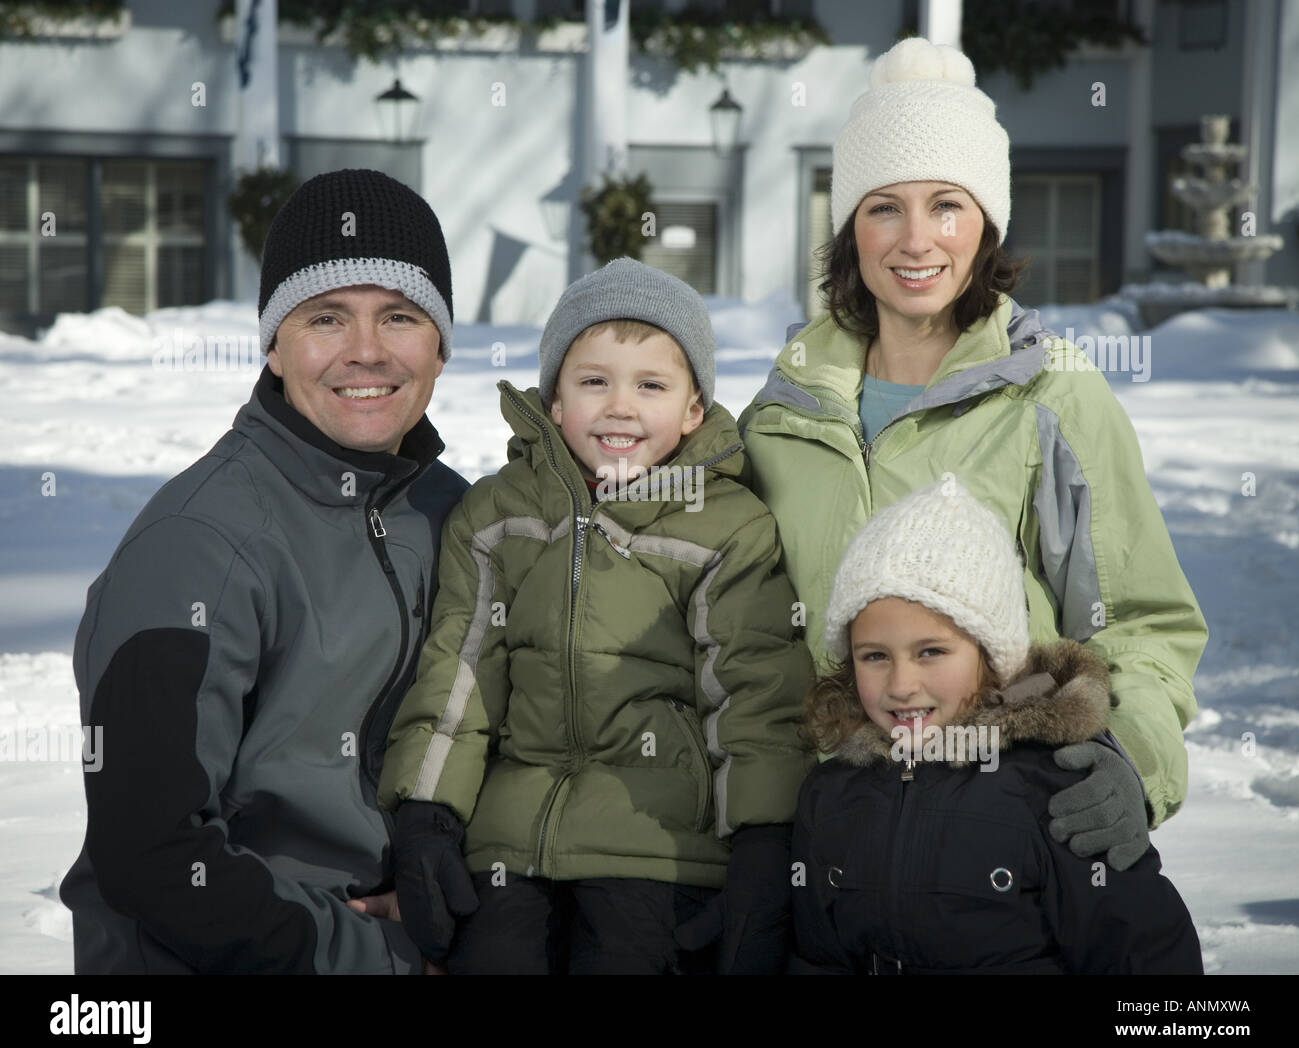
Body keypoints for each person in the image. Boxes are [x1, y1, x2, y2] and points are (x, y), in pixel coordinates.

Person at [738, 37, 1208, 861]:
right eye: (885, 206)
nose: (917, 240)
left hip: (996, 821)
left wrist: (1132, 757)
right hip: (818, 830)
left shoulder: (1054, 394)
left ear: (986, 221)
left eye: (946, 204)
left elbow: (1141, 624)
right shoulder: (786, 409)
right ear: (851, 225)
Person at [59, 168, 468, 973]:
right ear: (274, 346)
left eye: (399, 315)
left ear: (441, 345)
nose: (366, 351)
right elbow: (154, 853)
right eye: (325, 317)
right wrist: (383, 956)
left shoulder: (460, 517)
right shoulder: (197, 545)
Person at [379, 258, 814, 974]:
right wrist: (427, 816)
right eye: (593, 381)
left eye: (651, 385)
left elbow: (752, 693)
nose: (620, 406)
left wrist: (764, 844)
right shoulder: (497, 515)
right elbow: (459, 673)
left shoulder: (726, 526)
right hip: (511, 840)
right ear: (553, 402)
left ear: (693, 410)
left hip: (661, 844)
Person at [791, 480, 1203, 974]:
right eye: (875, 656)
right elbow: (816, 955)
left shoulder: (1057, 787)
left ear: (992, 657)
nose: (901, 684)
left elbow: (1144, 952)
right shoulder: (832, 793)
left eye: (931, 652)